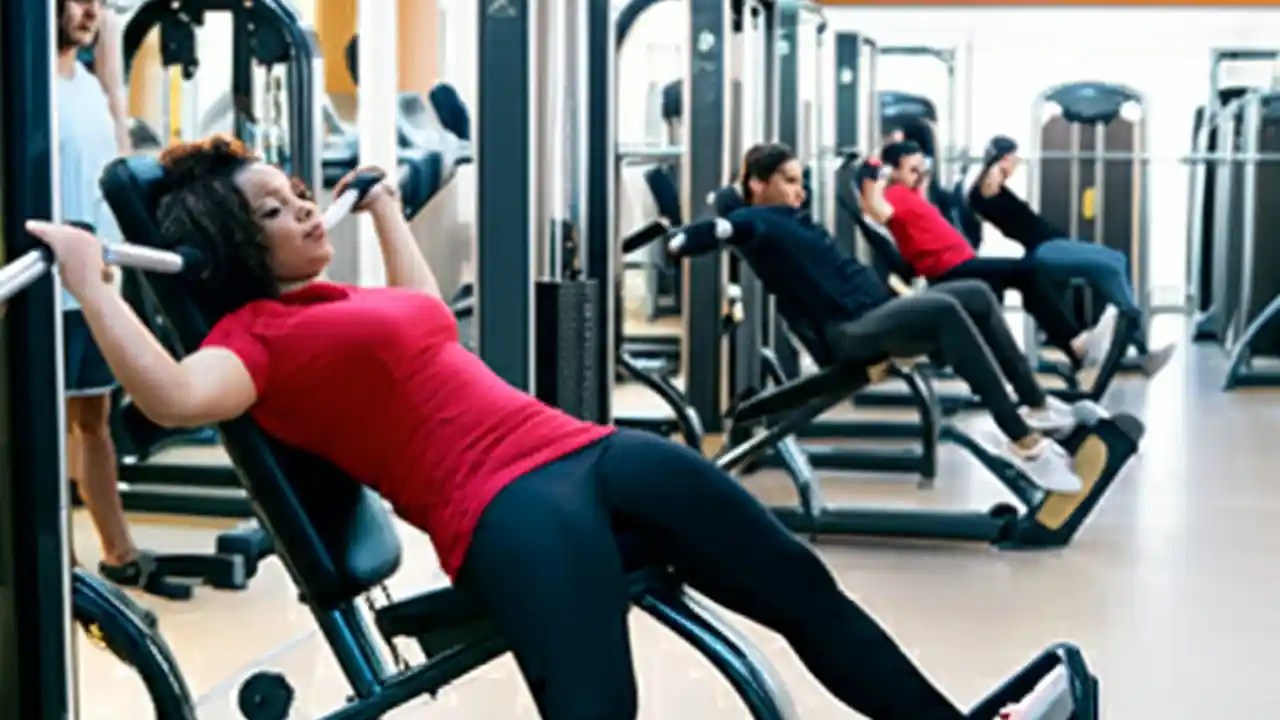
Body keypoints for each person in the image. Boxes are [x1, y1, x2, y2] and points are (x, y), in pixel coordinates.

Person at [27, 134, 1072, 720]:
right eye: (274, 210)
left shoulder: (346, 301)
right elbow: (167, 396)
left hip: (586, 450)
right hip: (498, 506)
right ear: (229, 245)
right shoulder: (248, 342)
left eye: (302, 196)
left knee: (804, 593)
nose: (305, 212)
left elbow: (427, 309)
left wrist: (383, 209)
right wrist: (89, 280)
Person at [697, 142, 1086, 494]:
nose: (800, 191)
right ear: (757, 184)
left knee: (977, 294)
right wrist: (701, 232)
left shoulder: (793, 219)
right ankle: (1022, 442)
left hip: (873, 312)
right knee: (944, 309)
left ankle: (1037, 405)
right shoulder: (757, 223)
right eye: (789, 181)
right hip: (848, 334)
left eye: (801, 181)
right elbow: (728, 226)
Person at [867, 140, 1121, 372]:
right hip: (949, 268)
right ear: (894, 172)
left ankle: (1072, 346)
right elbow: (875, 210)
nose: (920, 174)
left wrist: (918, 176)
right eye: (913, 169)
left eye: (922, 169)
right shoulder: (892, 196)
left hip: (961, 261)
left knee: (1027, 276)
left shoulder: (911, 194)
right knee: (1028, 272)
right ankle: (1073, 342)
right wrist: (877, 169)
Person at [56, 0, 153, 588]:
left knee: (94, 419)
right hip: (43, 278)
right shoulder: (27, 88)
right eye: (79, 0)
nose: (92, 9)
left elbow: (112, 158)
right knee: (39, 425)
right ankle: (54, 556)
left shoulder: (91, 87)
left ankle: (118, 550)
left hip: (94, 280)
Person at [969, 135, 1176, 377]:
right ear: (1004, 159)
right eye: (1013, 158)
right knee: (1112, 264)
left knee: (1115, 260)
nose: (1017, 163)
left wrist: (998, 171)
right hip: (1045, 249)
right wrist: (994, 169)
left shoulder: (998, 189)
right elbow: (981, 199)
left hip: (1053, 245)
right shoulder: (985, 192)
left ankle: (1133, 339)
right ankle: (1137, 340)